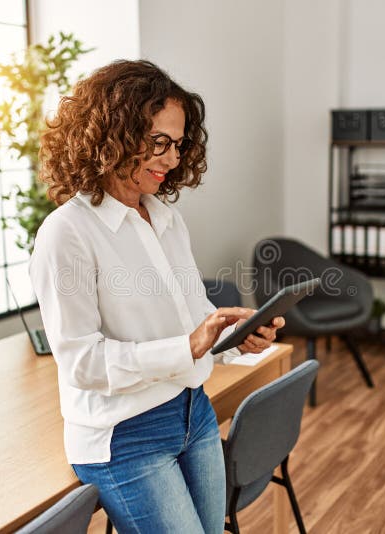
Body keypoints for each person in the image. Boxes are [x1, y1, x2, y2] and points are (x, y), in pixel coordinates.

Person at [29, 59, 285, 534]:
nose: (171, 159)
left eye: (179, 144)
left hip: (193, 411)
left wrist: (231, 333)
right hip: (124, 434)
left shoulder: (164, 218)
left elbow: (192, 318)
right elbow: (82, 363)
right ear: (111, 136)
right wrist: (188, 346)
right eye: (158, 143)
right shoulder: (67, 234)